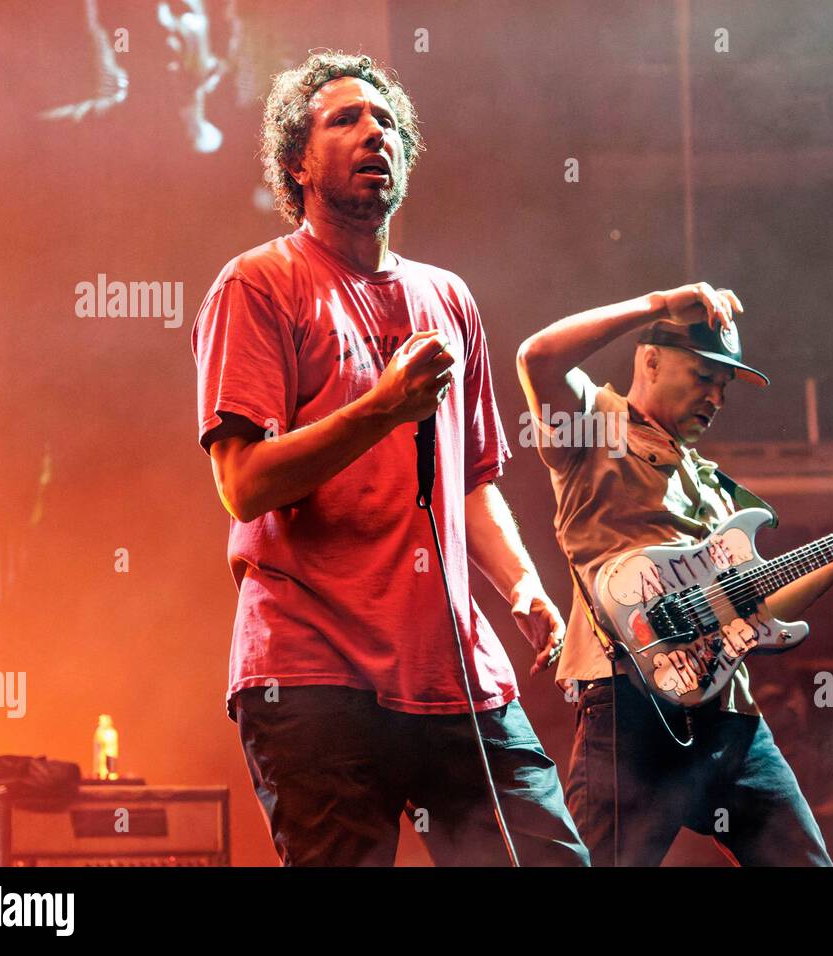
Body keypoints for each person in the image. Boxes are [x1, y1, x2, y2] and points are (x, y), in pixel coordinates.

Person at [191, 51, 587, 866]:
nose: (376, 133)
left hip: (454, 669)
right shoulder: (258, 285)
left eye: (387, 123)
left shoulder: (450, 297)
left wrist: (521, 585)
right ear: (297, 162)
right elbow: (242, 485)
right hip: (311, 674)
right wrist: (383, 407)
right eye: (346, 119)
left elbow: (471, 477)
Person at [516, 283, 833, 865]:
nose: (716, 397)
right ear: (650, 360)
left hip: (727, 715)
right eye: (704, 376)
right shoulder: (596, 426)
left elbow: (767, 612)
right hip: (629, 709)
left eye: (724, 386)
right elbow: (537, 357)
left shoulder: (714, 490)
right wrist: (656, 304)